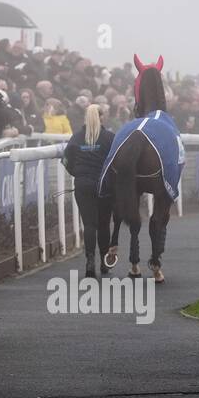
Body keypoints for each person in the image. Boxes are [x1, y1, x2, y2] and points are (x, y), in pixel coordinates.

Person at [63, 105, 116, 278]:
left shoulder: (76, 138)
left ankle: (90, 261)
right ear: (101, 118)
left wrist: (78, 174)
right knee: (103, 224)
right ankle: (104, 262)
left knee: (89, 224)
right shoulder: (110, 137)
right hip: (103, 185)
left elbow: (67, 160)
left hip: (83, 184)